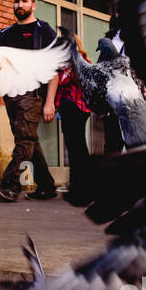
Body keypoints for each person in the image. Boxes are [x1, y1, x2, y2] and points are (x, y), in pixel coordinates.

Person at [0, 0, 59, 202]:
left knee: (24, 139)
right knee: (29, 140)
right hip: (10, 95)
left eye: (24, 1)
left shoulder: (43, 31)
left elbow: (54, 70)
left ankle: (10, 187)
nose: (20, 5)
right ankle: (46, 186)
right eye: (17, 1)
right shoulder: (5, 34)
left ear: (33, 5)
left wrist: (50, 102)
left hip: (32, 94)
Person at [55, 33, 92, 195]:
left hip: (75, 107)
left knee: (76, 146)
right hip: (75, 107)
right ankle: (79, 182)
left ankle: (80, 183)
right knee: (76, 145)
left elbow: (63, 79)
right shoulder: (81, 59)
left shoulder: (77, 60)